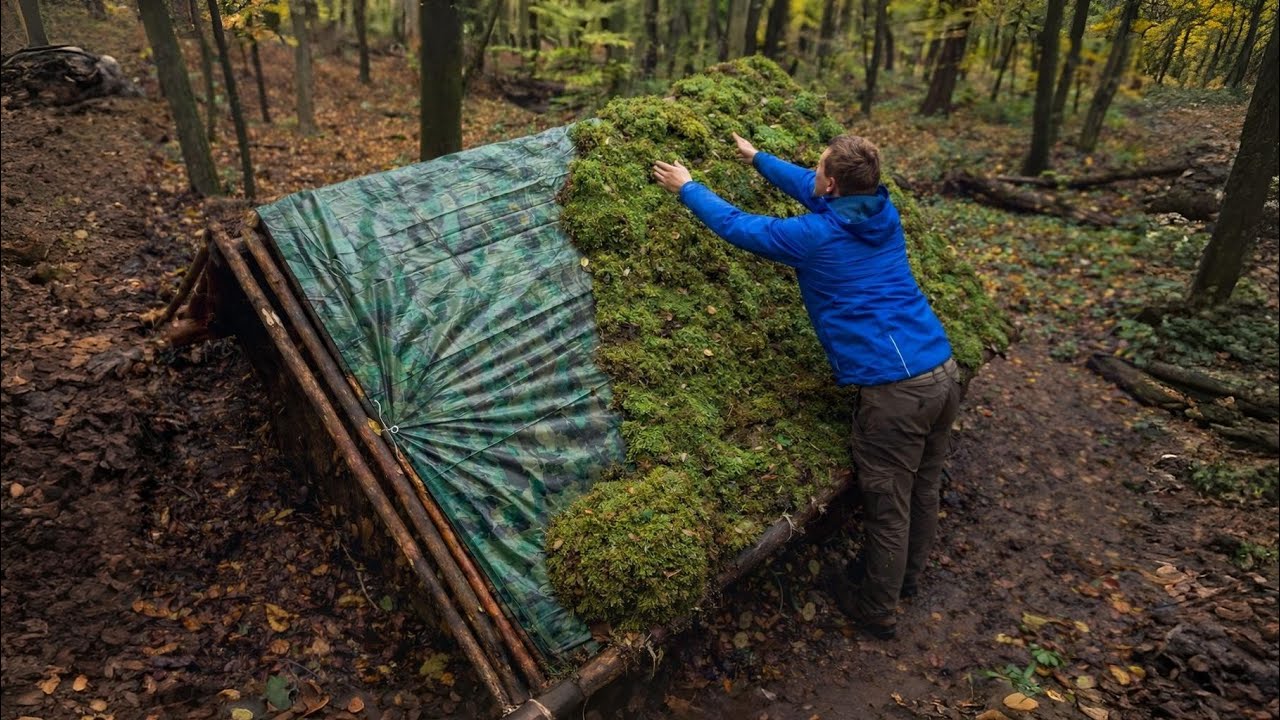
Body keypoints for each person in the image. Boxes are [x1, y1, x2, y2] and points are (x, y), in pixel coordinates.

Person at [651, 133, 962, 640]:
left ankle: (876, 608)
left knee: (890, 505)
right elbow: (805, 183)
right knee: (923, 486)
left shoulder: (814, 237)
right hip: (940, 370)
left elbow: (740, 226)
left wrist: (688, 187)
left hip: (895, 392)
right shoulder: (880, 211)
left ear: (833, 184)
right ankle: (905, 580)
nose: (812, 175)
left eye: (819, 169)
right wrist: (757, 159)